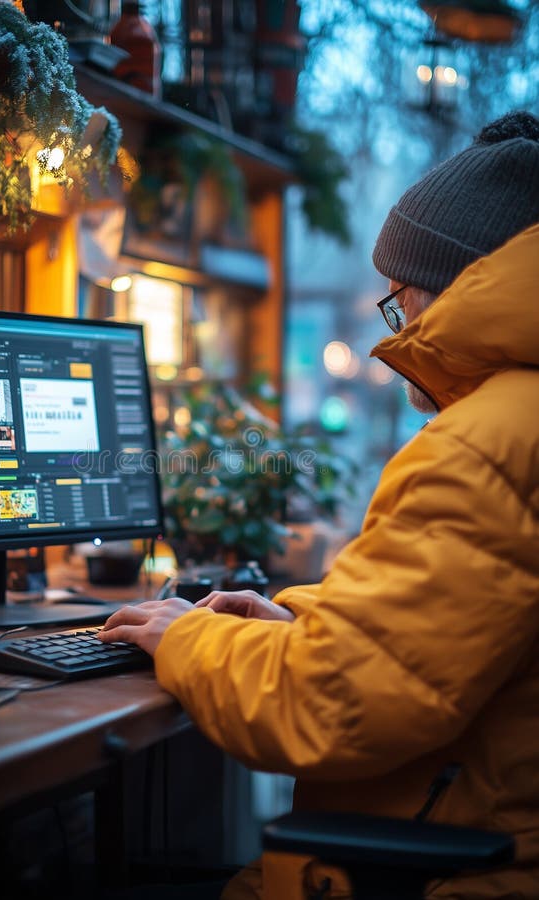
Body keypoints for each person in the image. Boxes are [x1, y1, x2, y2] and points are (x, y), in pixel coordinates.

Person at [98, 111, 539, 899]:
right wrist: (302, 627)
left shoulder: (484, 443)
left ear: (454, 287)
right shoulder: (518, 425)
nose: (392, 325)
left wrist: (185, 638)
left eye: (397, 300)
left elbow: (330, 706)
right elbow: (432, 649)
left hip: (454, 872)